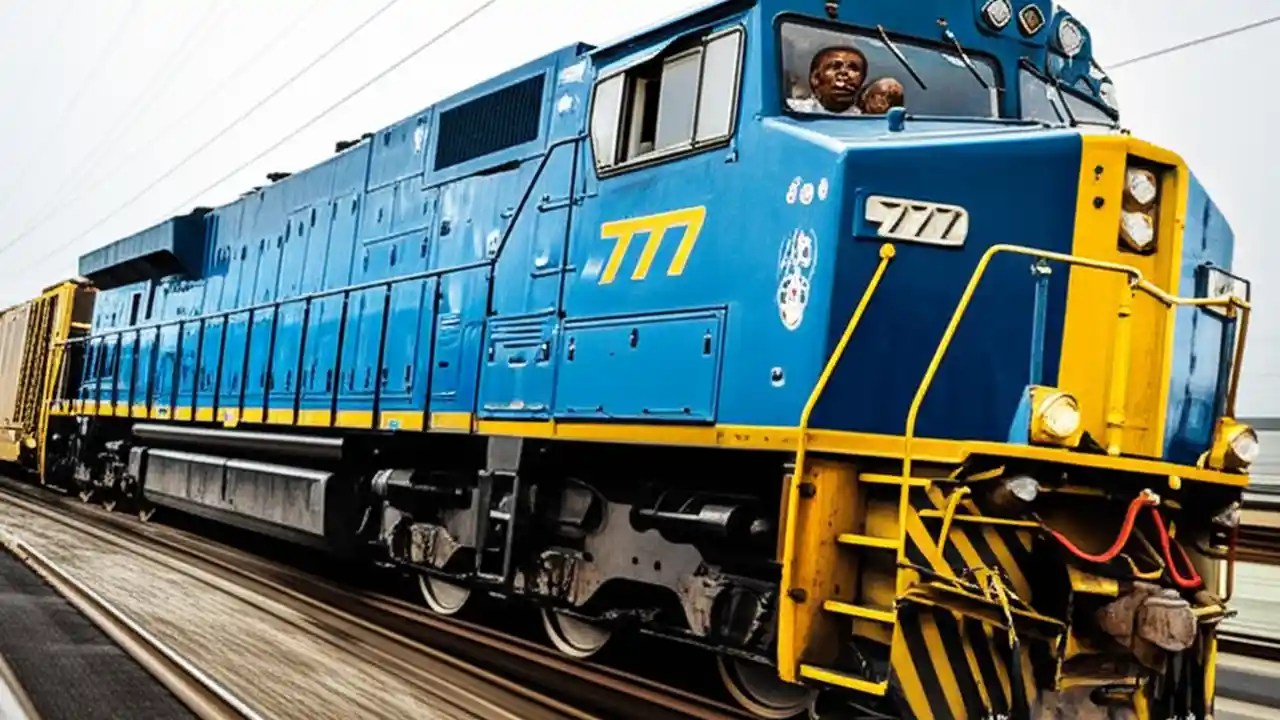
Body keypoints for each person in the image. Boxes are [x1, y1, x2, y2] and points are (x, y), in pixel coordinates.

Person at [786, 45, 867, 115]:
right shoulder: (791, 110)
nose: (844, 73)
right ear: (815, 78)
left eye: (853, 68)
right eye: (835, 67)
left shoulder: (868, 121)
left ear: (863, 80)